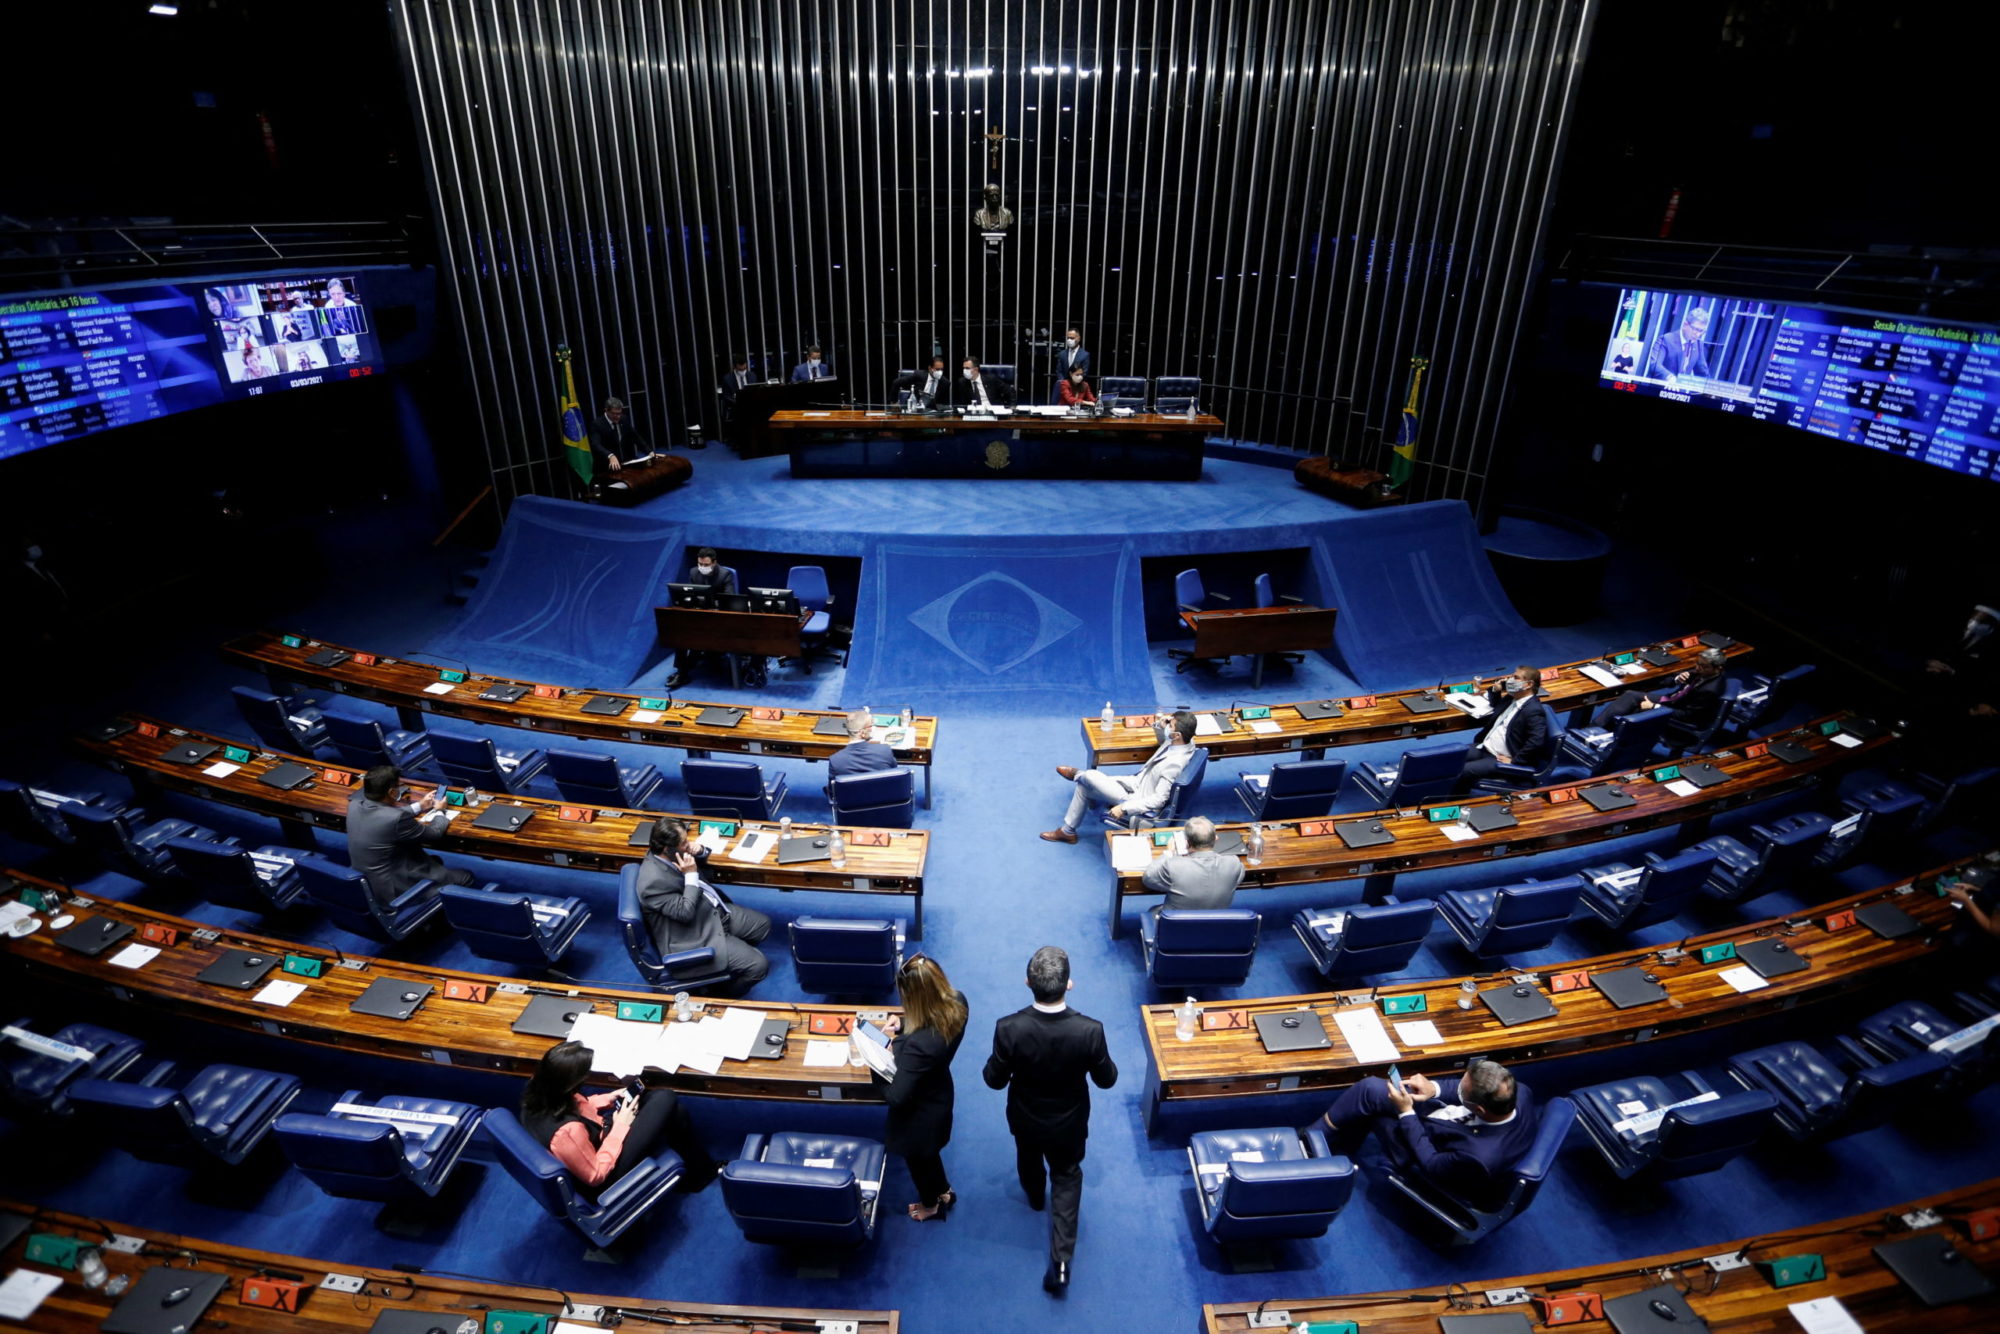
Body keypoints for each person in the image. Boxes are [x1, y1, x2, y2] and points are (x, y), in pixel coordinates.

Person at [982, 946, 1117, 1295]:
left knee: (1028, 1158)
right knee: (1067, 1177)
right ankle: (1060, 1263)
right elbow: (1107, 1079)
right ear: (1068, 984)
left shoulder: (1008, 1027)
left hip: (1025, 1118)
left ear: (1028, 982)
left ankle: (1035, 1199)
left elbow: (993, 1080)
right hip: (1069, 1123)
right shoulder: (1090, 1031)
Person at [1309, 1059, 1540, 1210]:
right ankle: (1326, 1140)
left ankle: (1308, 1142)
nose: (1457, 1089)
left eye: (1462, 1090)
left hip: (1429, 1152)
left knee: (1372, 1098)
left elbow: (1432, 1163)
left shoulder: (1479, 1157)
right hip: (1444, 1125)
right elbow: (1463, 1092)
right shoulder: (1518, 1093)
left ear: (1479, 1109)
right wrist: (1434, 1089)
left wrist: (1406, 1112)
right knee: (1372, 1090)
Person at [519, 1040, 719, 1196]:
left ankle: (699, 1175)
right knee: (664, 1098)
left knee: (675, 1112)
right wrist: (621, 1126)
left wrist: (607, 1099)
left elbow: (572, 1105)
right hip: (604, 1176)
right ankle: (701, 1174)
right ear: (570, 1084)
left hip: (594, 1139)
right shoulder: (567, 1132)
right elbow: (596, 1175)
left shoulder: (540, 1089)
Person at [875, 954, 969, 1222]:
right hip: (938, 1094)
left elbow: (896, 1096)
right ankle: (944, 1191)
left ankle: (932, 1205)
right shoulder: (958, 1002)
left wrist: (875, 1060)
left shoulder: (918, 1046)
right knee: (930, 1157)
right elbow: (931, 1020)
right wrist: (904, 1024)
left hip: (918, 1118)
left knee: (919, 1162)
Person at [635, 817, 771, 993]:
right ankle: (719, 993)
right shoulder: (652, 882)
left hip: (711, 911)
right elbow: (685, 912)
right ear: (668, 849)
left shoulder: (669, 854)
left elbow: (697, 857)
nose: (688, 844)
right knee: (758, 967)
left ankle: (731, 951)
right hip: (693, 934)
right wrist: (690, 875)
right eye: (684, 843)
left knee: (762, 926)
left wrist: (699, 851)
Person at [1041, 710, 1198, 844]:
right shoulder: (1186, 743)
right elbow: (1164, 741)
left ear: (1176, 735)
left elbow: (1159, 799)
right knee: (1084, 786)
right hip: (1136, 782)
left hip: (1135, 798)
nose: (1168, 725)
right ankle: (1068, 832)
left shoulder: (1174, 764)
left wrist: (1124, 808)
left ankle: (1077, 774)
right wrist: (1162, 725)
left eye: (1170, 725)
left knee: (1089, 776)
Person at [345, 764, 476, 911]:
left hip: (370, 883)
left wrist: (420, 806)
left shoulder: (355, 804)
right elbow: (433, 834)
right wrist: (440, 811)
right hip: (396, 891)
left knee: (435, 861)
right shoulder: (397, 818)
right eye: (399, 786)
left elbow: (384, 814)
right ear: (393, 793)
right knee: (465, 877)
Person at [1589, 646, 1729, 750]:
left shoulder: (1711, 690)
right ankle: (1595, 730)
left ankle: (1601, 738)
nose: (1697, 668)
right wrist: (1677, 679)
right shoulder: (1704, 673)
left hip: (1678, 714)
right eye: (1697, 663)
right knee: (1631, 695)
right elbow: (1667, 682)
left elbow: (1688, 716)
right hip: (1672, 701)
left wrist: (1655, 707)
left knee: (1636, 711)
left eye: (1703, 666)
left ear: (1718, 668)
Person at [1448, 666, 1556, 794]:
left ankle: (1455, 802)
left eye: (1515, 678)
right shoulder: (1512, 698)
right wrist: (1496, 689)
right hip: (1484, 747)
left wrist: (1515, 761)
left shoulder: (1533, 710)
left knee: (1462, 771)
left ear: (1528, 684)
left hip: (1498, 757)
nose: (1510, 679)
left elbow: (1535, 741)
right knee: (1451, 758)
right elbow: (1496, 706)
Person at [664, 548, 738, 691]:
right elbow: (691, 593)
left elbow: (729, 600)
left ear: (714, 563)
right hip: (699, 615)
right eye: (700, 564)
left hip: (719, 618)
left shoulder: (725, 575)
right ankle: (681, 671)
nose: (702, 568)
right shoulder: (693, 572)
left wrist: (712, 606)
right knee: (679, 632)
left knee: (698, 637)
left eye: (705, 565)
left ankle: (684, 671)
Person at [1139, 814, 1242, 910]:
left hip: (1177, 925)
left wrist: (1168, 853)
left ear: (1187, 843)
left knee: (1153, 911)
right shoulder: (1234, 863)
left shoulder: (1173, 866)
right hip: (1216, 924)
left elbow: (1148, 879)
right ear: (1216, 839)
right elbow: (1234, 881)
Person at [587, 397, 650, 482]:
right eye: (614, 414)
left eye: (619, 413)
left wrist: (649, 452)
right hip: (606, 467)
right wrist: (610, 455)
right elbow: (595, 444)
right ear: (606, 410)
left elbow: (635, 436)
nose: (618, 416)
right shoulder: (597, 424)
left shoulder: (624, 419)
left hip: (626, 462)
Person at [1646, 306, 1711, 384]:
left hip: (1681, 392)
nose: (1698, 334)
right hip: (1658, 389)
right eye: (1696, 329)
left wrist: (1710, 387)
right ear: (1685, 325)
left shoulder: (1698, 344)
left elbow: (1702, 372)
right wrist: (1669, 377)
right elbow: (1654, 364)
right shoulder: (1665, 339)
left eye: (1701, 331)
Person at [829, 708, 897, 780]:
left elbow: (833, 788)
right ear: (862, 733)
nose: (873, 728)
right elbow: (895, 773)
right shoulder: (884, 750)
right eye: (871, 726)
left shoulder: (835, 760)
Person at [1053, 328, 1090, 401]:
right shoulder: (1062, 354)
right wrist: (1064, 384)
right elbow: (1059, 371)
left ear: (1078, 338)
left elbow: (1084, 372)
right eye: (1068, 338)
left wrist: (1074, 383)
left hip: (1078, 389)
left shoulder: (1085, 355)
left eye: (1072, 338)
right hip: (1063, 389)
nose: (1069, 340)